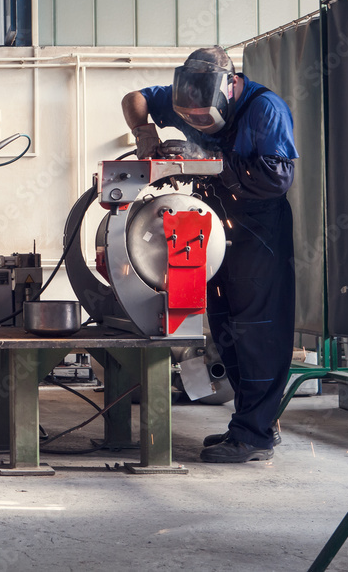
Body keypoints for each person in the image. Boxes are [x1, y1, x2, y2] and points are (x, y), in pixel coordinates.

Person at [121, 46, 298, 463]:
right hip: (214, 225)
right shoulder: (187, 94)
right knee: (224, 327)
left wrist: (206, 162)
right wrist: (144, 131)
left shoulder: (265, 108)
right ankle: (254, 424)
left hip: (259, 230)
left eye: (202, 118)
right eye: (188, 118)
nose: (195, 122)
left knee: (257, 331)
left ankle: (253, 436)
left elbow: (278, 177)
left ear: (230, 88)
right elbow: (135, 99)